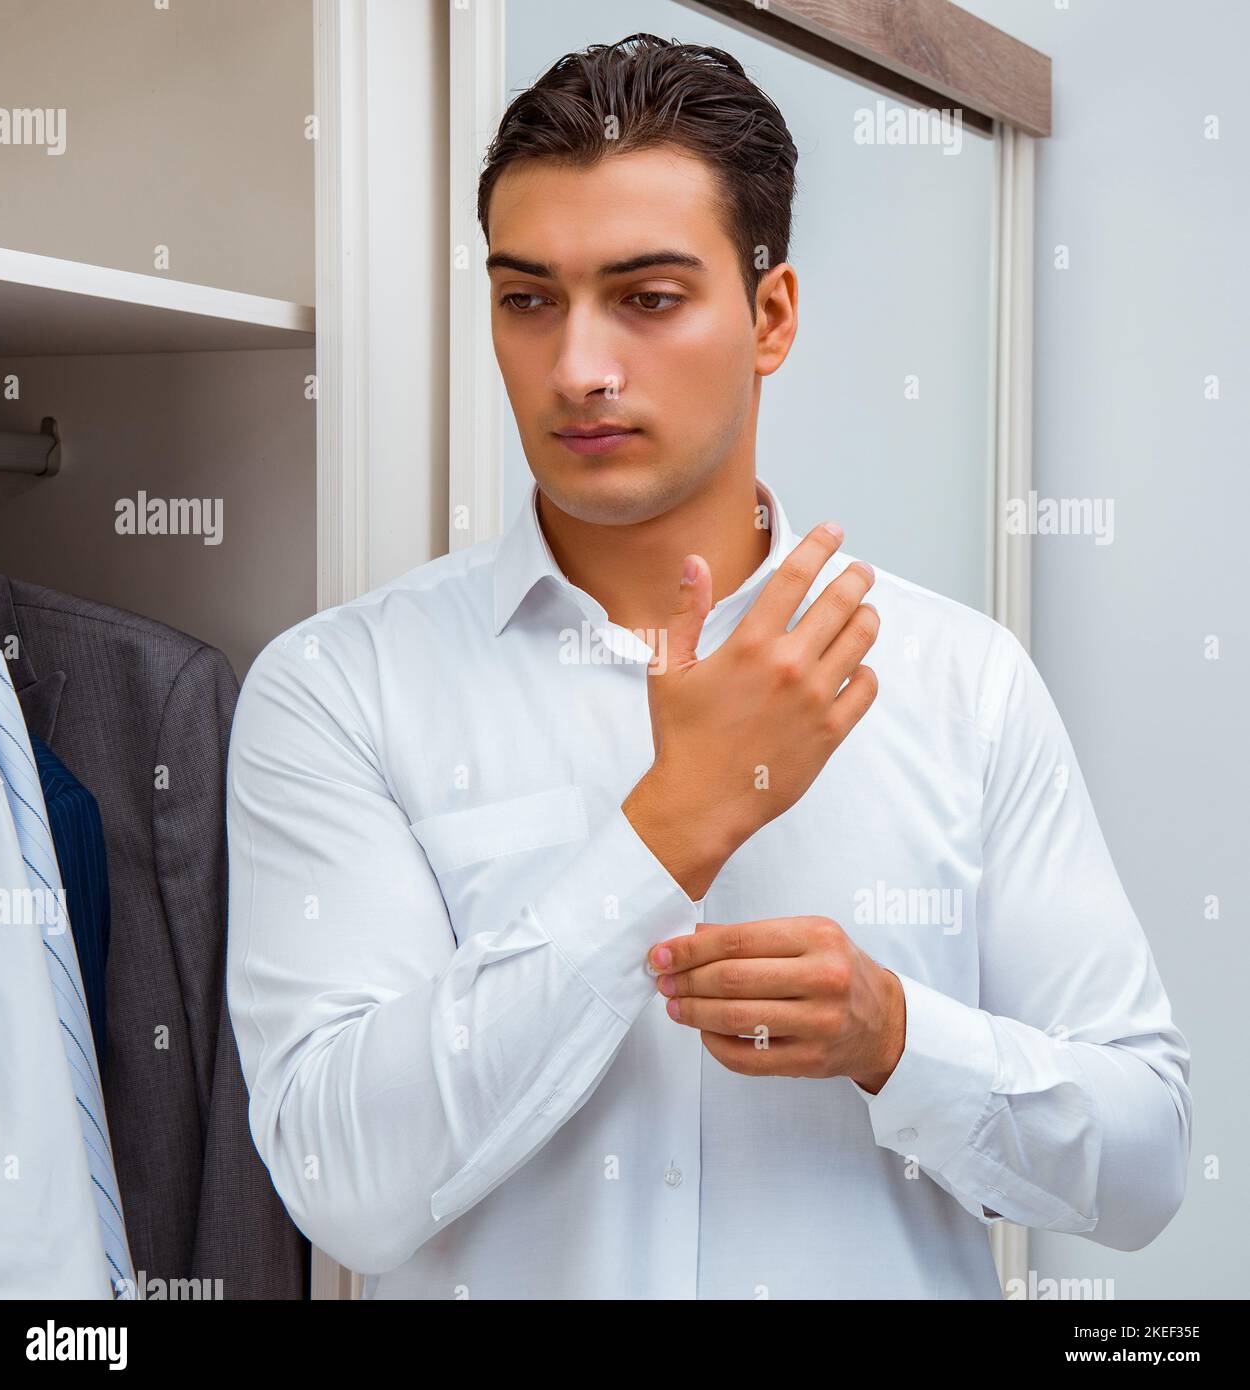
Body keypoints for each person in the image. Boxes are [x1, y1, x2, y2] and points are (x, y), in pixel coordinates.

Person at [225, 33, 1191, 1299]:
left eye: (647, 297)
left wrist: (895, 1037)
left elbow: (1143, 1164)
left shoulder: (963, 682)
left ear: (769, 315)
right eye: (529, 299)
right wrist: (675, 821)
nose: (577, 366)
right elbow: (342, 1187)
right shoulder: (336, 693)